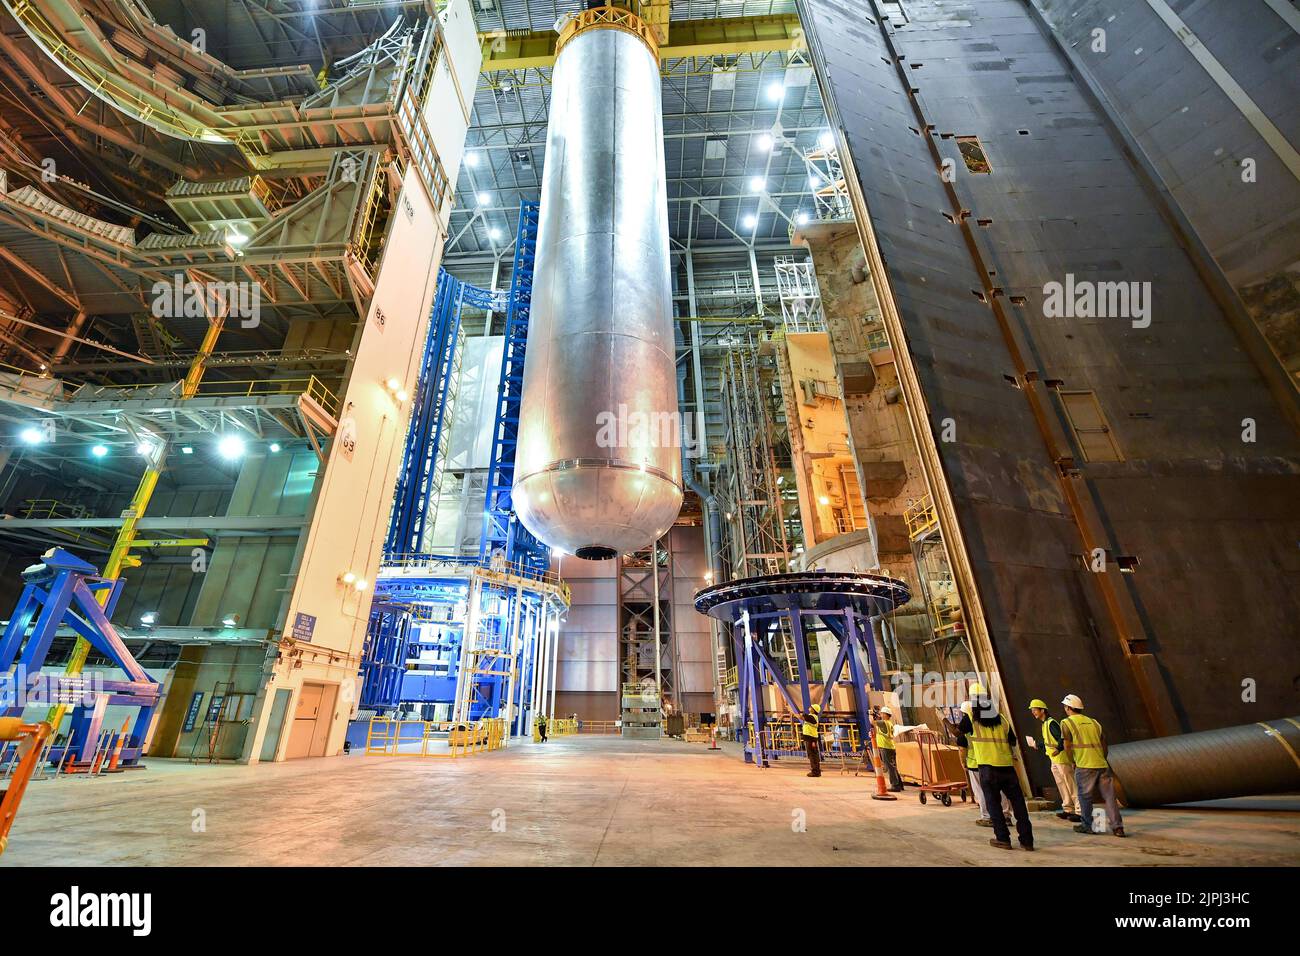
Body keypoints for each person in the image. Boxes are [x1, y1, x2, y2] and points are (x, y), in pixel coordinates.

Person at [957, 687, 1034, 851]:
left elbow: (957, 733)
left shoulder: (971, 719)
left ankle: (1003, 838)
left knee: (994, 805)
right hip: (1007, 768)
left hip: (987, 769)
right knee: (1018, 805)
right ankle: (1027, 841)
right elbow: (1012, 742)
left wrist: (943, 719)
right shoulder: (1003, 720)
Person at [1061, 694, 1125, 837]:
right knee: (1110, 797)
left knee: (1085, 797)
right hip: (1101, 764)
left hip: (1084, 765)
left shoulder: (1066, 723)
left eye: (1065, 707)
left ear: (1069, 708)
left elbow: (1067, 746)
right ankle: (1118, 828)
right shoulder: (1095, 723)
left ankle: (1087, 825)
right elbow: (1104, 745)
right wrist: (1102, 758)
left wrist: (1073, 761)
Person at [958, 699, 1012, 828]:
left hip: (976, 764)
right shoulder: (994, 723)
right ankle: (1005, 815)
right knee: (1000, 791)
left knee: (982, 792)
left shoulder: (969, 727)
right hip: (996, 761)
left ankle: (987, 816)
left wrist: (962, 761)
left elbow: (961, 748)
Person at [1027, 697, 1080, 822]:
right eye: (1032, 710)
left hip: (1061, 758)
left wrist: (1059, 749)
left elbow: (1062, 738)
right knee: (1062, 785)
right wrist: (1037, 745)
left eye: (1035, 710)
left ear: (1043, 710)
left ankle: (1079, 811)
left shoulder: (1051, 723)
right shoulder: (1045, 724)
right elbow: (1048, 742)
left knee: (1070, 784)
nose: (1033, 712)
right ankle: (1068, 809)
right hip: (1054, 759)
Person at [873, 706, 904, 791]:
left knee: (890, 767)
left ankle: (895, 786)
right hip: (890, 747)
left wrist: (870, 714)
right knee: (893, 766)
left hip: (886, 747)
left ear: (886, 715)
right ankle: (899, 784)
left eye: (882, 713)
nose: (881, 714)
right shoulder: (889, 723)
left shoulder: (884, 723)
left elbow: (872, 722)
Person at [801, 703, 822, 777]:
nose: (809, 708)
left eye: (811, 707)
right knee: (812, 755)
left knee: (813, 755)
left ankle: (815, 772)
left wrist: (798, 714)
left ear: (814, 710)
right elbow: (804, 717)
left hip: (811, 738)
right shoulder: (811, 717)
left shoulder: (813, 717)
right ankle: (816, 771)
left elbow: (805, 717)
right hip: (810, 738)